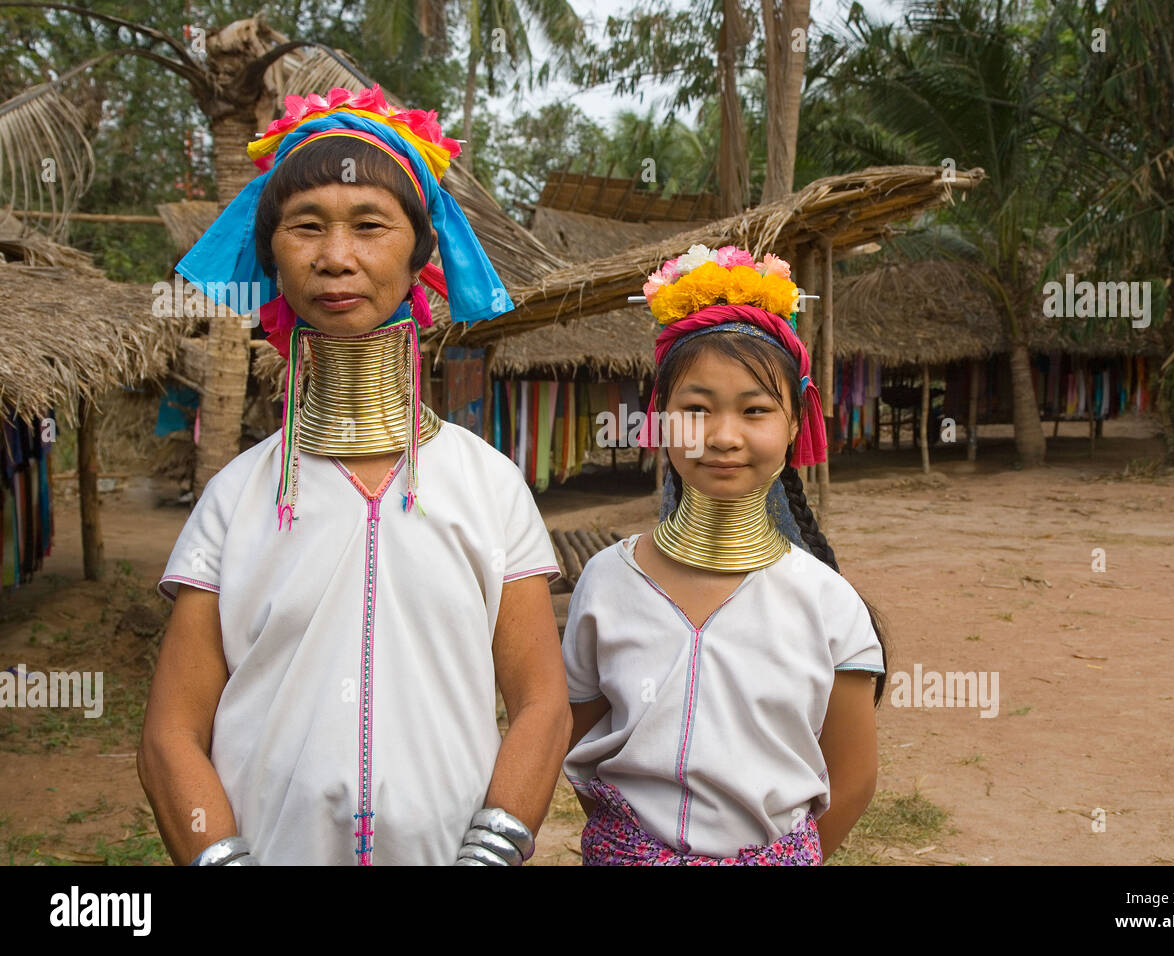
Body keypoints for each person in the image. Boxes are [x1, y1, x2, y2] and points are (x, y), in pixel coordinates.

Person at [138, 86, 571, 866]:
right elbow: (171, 732)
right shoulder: (235, 498)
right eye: (306, 226)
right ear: (271, 256)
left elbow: (541, 703)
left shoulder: (491, 486)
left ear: (420, 256)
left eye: (370, 225)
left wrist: (492, 851)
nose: (336, 256)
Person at [562, 245, 890, 865]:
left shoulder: (827, 603)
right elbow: (579, 733)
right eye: (696, 408)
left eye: (756, 410)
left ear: (797, 424)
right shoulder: (606, 582)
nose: (723, 436)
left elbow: (853, 780)